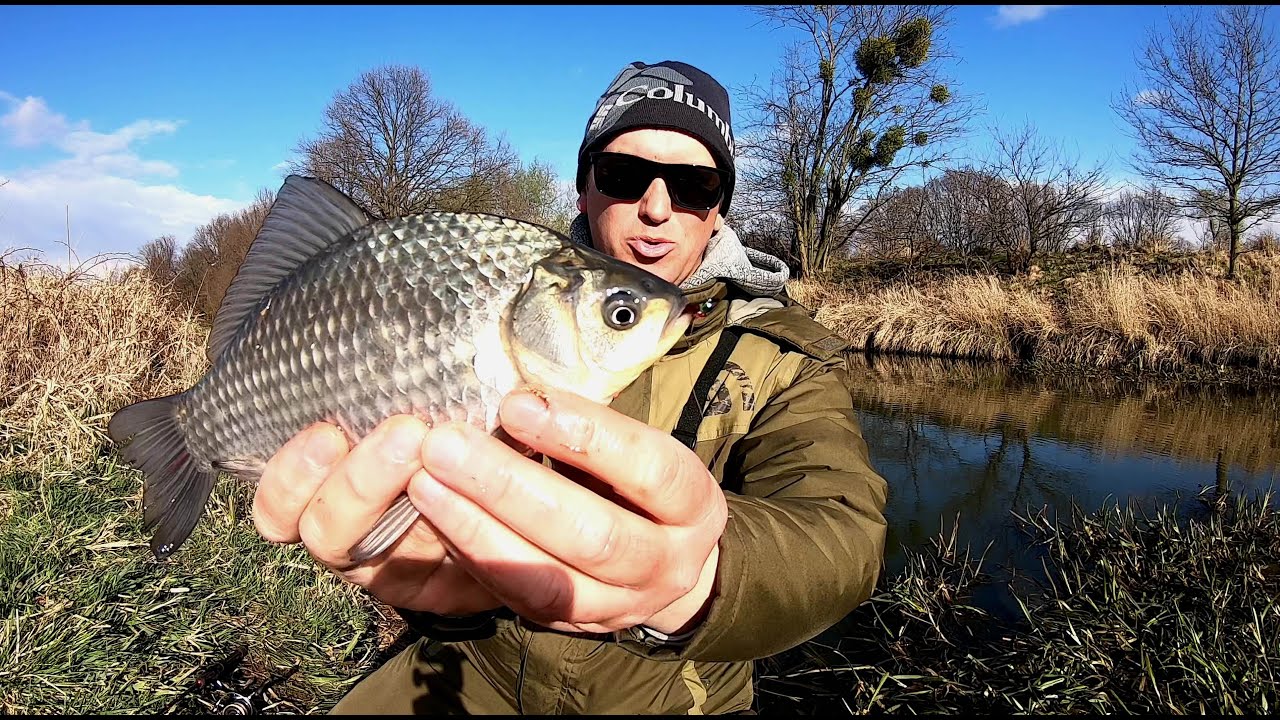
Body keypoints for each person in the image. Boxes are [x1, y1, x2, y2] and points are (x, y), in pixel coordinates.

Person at [250, 59, 889, 715]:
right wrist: (423, 579)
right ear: (584, 189)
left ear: (718, 208)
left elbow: (843, 536)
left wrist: (697, 581)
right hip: (473, 662)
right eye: (624, 175)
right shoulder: (493, 279)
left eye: (694, 185)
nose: (657, 208)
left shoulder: (788, 357)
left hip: (672, 698)